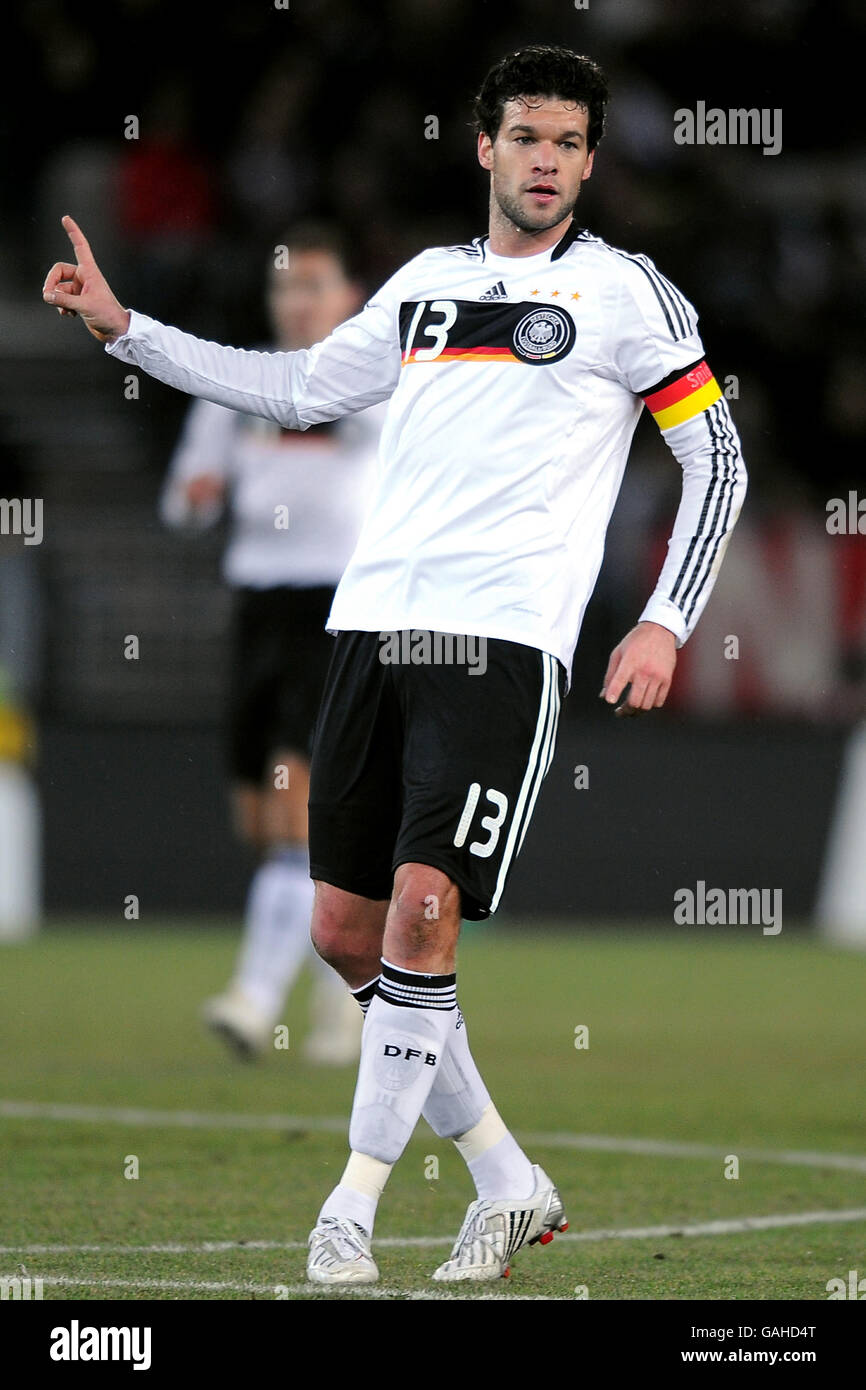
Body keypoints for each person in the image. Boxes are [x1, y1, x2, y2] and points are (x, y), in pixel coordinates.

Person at [42, 44, 747, 1286]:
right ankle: (504, 1178)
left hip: (503, 642)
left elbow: (717, 460)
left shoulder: (627, 294)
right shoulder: (425, 284)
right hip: (368, 631)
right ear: (482, 147)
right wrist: (125, 329)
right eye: (525, 137)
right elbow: (302, 387)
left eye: (569, 143)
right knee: (345, 929)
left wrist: (662, 619)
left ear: (589, 160)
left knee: (425, 917)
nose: (545, 161)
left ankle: (349, 1211)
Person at [160, 227, 380, 1065]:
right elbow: (180, 504)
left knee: (296, 804)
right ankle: (348, 982)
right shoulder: (236, 387)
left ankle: (254, 1000)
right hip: (258, 607)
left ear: (348, 298)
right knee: (262, 821)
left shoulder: (374, 385)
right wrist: (197, 493)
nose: (297, 300)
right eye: (285, 287)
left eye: (314, 285)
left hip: (337, 607)